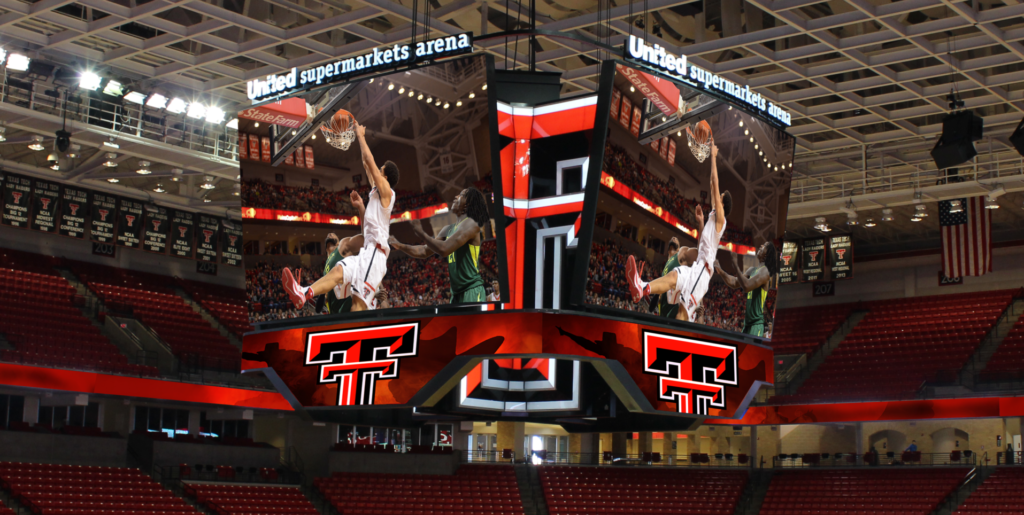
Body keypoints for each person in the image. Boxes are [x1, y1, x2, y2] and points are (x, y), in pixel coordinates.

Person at [281, 121, 399, 311]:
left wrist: (360, 135)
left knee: (357, 306)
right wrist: (361, 206)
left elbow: (369, 161)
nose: (378, 170)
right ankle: (303, 293)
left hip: (375, 255)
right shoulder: (375, 195)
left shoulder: (387, 192)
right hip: (367, 251)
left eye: (382, 168)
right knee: (338, 271)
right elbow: (365, 163)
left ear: (385, 177)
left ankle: (354, 336)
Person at [625, 141, 732, 322]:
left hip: (703, 273)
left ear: (723, 204)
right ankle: (641, 288)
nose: (715, 197)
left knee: (681, 315)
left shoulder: (721, 219)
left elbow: (715, 182)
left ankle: (676, 344)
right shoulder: (712, 220)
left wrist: (713, 155)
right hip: (698, 267)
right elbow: (701, 247)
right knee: (674, 275)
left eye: (719, 197)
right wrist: (700, 223)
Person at [389, 188, 490, 304]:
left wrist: (422, 234)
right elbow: (424, 251)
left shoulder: (472, 224)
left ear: (468, 205)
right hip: (456, 294)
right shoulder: (448, 229)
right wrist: (400, 246)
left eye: (462, 195)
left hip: (471, 290)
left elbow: (444, 249)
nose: (456, 196)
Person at [713, 241, 779, 337]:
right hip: (747, 324)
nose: (761, 245)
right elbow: (734, 282)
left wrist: (736, 265)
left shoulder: (765, 271)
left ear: (767, 254)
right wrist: (721, 271)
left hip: (756, 324)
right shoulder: (752, 270)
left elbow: (747, 286)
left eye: (764, 246)